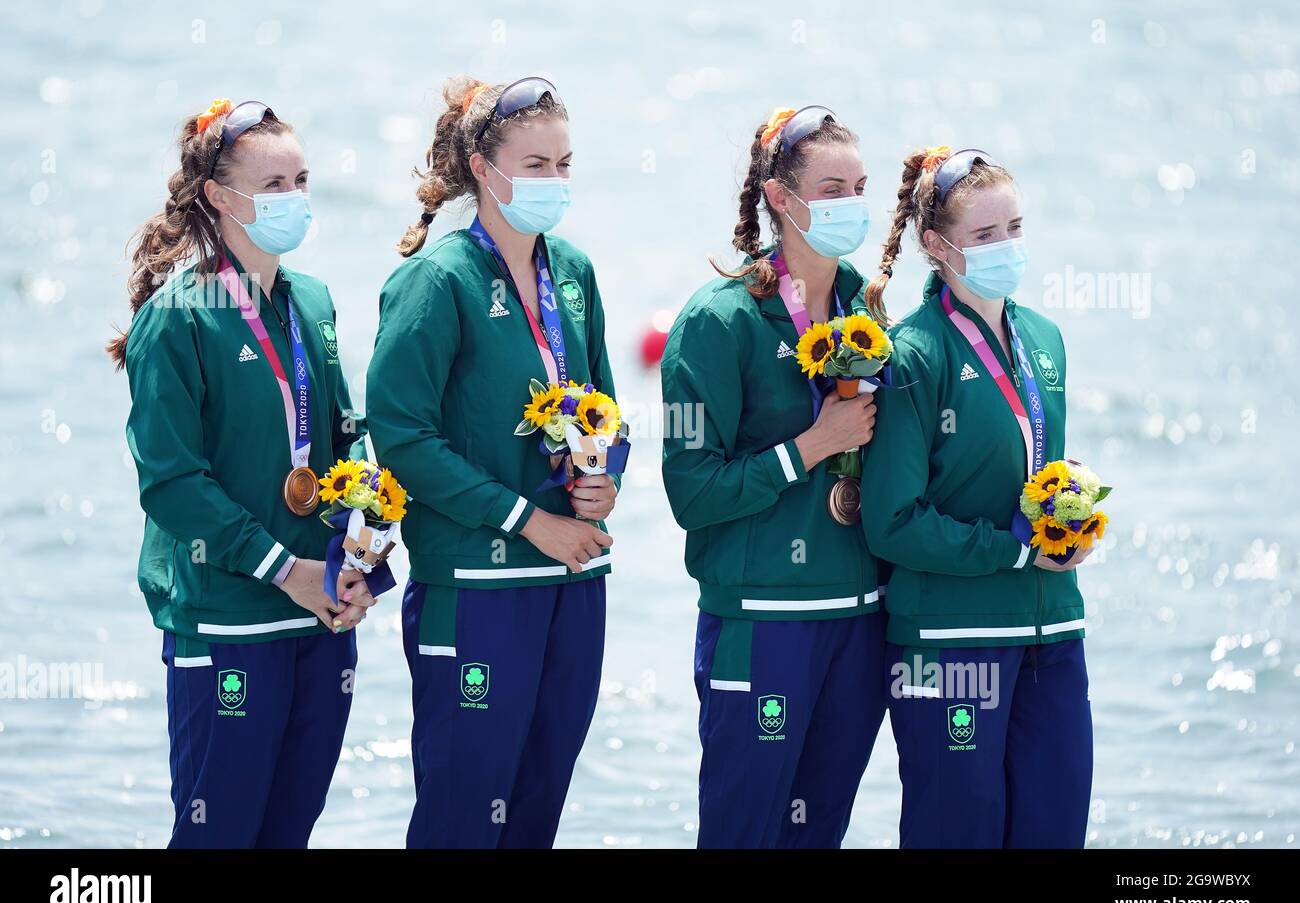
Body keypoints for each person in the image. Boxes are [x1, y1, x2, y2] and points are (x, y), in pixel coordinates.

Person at [112, 98, 374, 847]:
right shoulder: (176, 316)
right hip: (226, 618)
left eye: (301, 180)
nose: (294, 199)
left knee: (289, 832)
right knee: (217, 834)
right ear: (219, 198)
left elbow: (342, 442)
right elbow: (171, 482)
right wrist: (280, 566)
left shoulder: (313, 301)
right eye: (274, 185)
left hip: (320, 614)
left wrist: (358, 552)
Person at [368, 76, 619, 848]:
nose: (555, 182)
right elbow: (400, 435)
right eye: (536, 165)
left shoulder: (572, 272)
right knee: (463, 819)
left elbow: (606, 403)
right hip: (478, 587)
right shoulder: (435, 280)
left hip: (573, 582)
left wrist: (604, 482)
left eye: (565, 165)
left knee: (536, 812)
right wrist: (526, 520)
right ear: (482, 166)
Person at [660, 106, 886, 848]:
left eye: (860, 186)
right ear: (782, 199)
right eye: (832, 187)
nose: (852, 204)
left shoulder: (870, 308)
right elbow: (691, 493)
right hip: (761, 622)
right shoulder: (716, 323)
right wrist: (809, 448)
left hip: (858, 622)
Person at [859, 146, 1093, 848]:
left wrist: (1068, 506)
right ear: (937, 246)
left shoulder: (1044, 339)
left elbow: (1025, 461)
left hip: (1053, 630)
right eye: (986, 236)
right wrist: (1016, 553)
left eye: (1015, 229)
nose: (1007, 248)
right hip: (949, 642)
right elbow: (890, 524)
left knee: (1054, 831)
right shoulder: (913, 354)